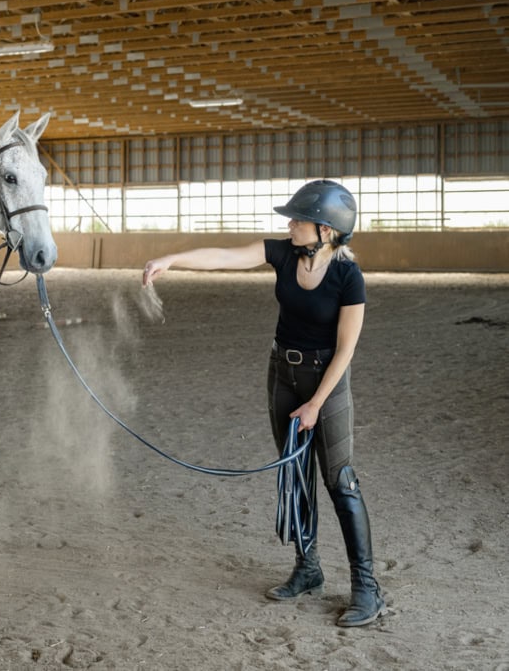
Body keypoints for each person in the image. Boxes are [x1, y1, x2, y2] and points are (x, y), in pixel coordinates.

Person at [141, 179, 386, 628]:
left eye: (298, 219)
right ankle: (308, 568)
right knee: (294, 476)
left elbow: (347, 349)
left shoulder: (348, 277)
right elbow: (226, 256)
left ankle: (367, 588)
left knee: (340, 482)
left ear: (326, 230)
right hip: (283, 375)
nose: (289, 224)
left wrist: (315, 403)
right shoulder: (284, 253)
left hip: (325, 383)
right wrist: (173, 259)